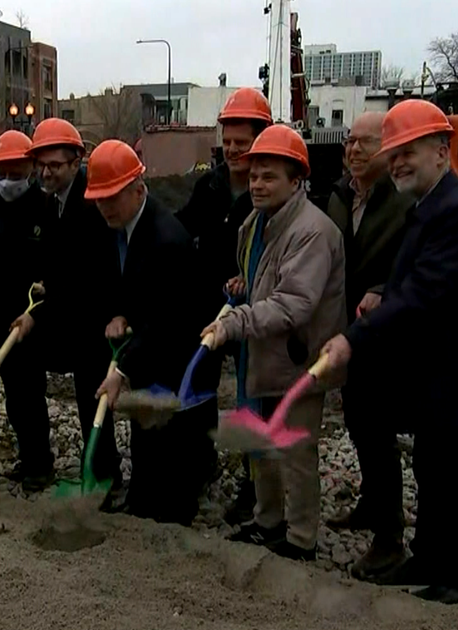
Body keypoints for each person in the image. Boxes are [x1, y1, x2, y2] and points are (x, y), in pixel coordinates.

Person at [318, 99, 458, 604]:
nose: (398, 163)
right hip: (444, 371)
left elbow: (422, 294)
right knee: (431, 466)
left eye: (408, 152)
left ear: (441, 151)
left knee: (443, 474)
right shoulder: (430, 206)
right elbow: (409, 286)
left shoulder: (456, 212)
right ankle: (430, 558)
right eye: (393, 155)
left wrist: (352, 339)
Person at [201, 124, 346, 560]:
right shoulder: (258, 221)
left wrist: (235, 322)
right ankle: (267, 522)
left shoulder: (312, 232)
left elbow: (294, 304)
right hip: (264, 352)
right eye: (254, 176)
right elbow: (267, 276)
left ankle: (301, 539)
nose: (258, 184)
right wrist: (245, 283)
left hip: (300, 359)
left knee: (296, 449)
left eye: (269, 176)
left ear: (296, 180)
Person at [89, 140, 210, 526]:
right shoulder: (119, 227)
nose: (105, 207)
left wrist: (121, 369)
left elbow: (164, 319)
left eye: (112, 198)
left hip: (174, 354)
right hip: (149, 344)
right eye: (99, 200)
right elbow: (121, 281)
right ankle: (142, 501)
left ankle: (175, 514)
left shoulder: (165, 240)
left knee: (171, 434)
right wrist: (119, 312)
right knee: (145, 429)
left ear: (138, 191)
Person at [320, 112, 415, 579]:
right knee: (358, 422)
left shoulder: (403, 202)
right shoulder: (339, 197)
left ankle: (389, 537)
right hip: (348, 330)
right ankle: (371, 503)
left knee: (378, 433)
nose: (354, 150)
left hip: (384, 333)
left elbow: (413, 265)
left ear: (388, 147)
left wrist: (382, 289)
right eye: (350, 142)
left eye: (365, 142)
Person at [175, 86, 273, 525]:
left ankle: (255, 485)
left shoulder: (271, 190)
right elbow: (184, 228)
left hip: (255, 311)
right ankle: (201, 461)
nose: (233, 150)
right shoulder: (210, 185)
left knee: (253, 394)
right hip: (209, 305)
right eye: (228, 141)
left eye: (242, 142)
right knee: (200, 384)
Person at [27, 118, 122, 504]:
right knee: (85, 397)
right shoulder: (51, 202)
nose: (46, 173)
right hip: (69, 315)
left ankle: (105, 477)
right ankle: (97, 471)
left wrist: (40, 312)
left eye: (55, 165)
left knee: (93, 399)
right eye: (42, 165)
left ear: (76, 162)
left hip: (95, 319)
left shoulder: (91, 204)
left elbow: (88, 274)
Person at [0, 130, 55, 491]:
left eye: (16, 172)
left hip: (31, 321)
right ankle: (27, 457)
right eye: (3, 172)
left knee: (30, 396)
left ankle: (40, 465)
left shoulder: (46, 208)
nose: (8, 179)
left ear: (30, 168)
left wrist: (39, 309)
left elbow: (54, 266)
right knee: (14, 400)